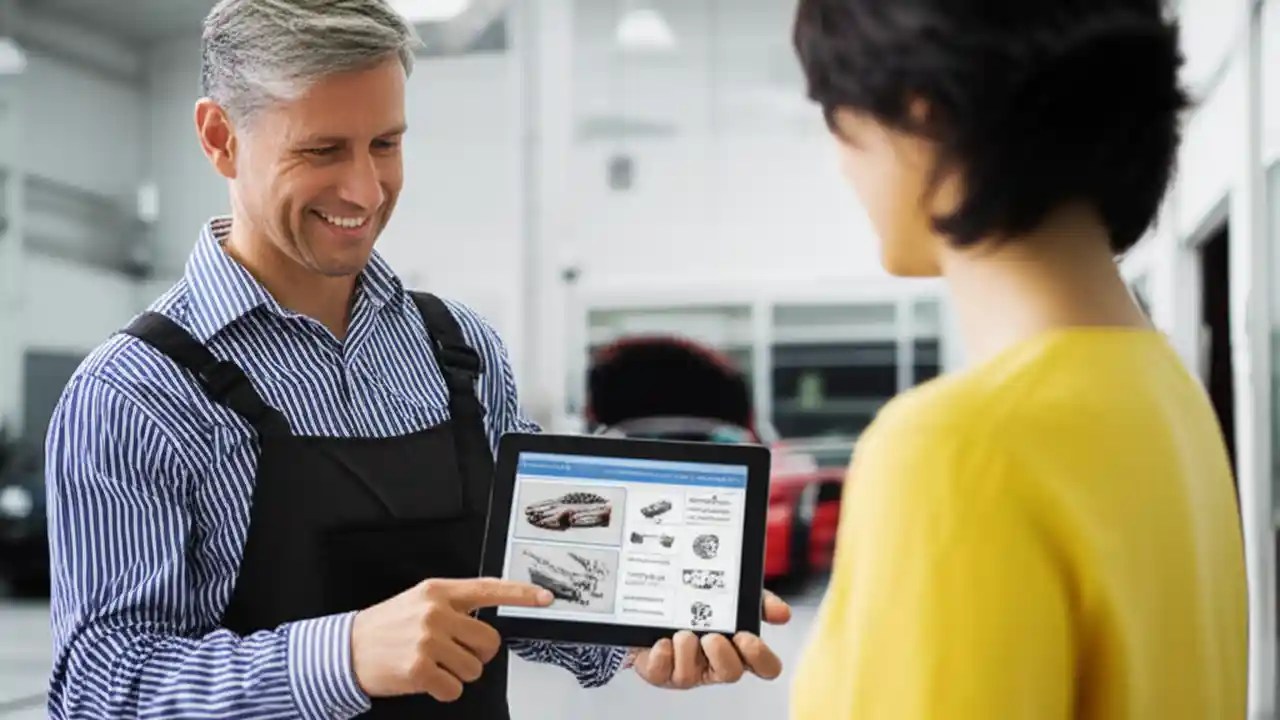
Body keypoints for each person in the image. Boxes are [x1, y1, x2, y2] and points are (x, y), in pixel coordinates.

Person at [42, 1, 788, 718]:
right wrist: (346, 655)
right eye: (321, 149)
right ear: (220, 138)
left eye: (386, 144)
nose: (365, 190)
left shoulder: (459, 351)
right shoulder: (135, 394)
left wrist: (641, 629)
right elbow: (99, 689)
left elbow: (528, 582)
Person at [788, 0, 1247, 718]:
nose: (836, 161)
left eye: (833, 115)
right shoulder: (1167, 395)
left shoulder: (951, 451)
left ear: (924, 113)